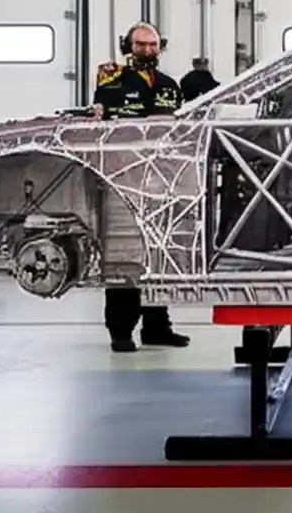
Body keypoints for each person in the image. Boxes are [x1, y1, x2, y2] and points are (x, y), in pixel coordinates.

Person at [92, 21, 190, 352]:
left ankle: (157, 327)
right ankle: (120, 331)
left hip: (161, 179)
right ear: (128, 46)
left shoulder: (169, 85)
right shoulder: (111, 79)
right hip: (122, 176)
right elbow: (101, 120)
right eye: (140, 45)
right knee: (124, 255)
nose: (147, 50)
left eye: (152, 45)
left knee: (159, 254)